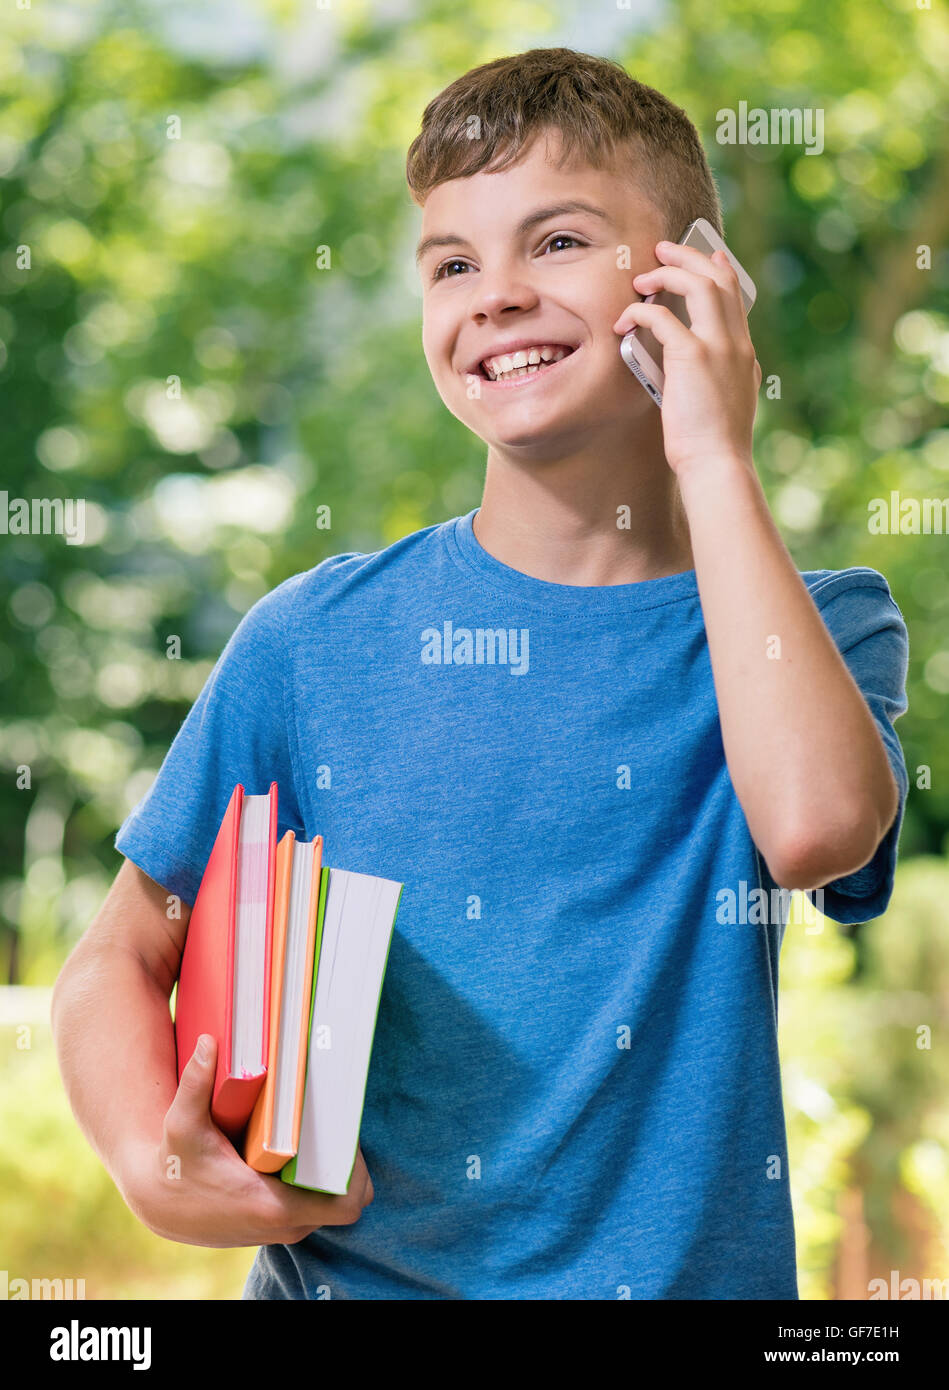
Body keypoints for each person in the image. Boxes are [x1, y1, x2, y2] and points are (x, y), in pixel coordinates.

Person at [52, 47, 909, 1299]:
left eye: (555, 243)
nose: (493, 295)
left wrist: (714, 453)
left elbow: (816, 827)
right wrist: (149, 1155)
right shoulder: (311, 639)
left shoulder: (817, 626)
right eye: (452, 264)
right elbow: (115, 961)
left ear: (698, 284)